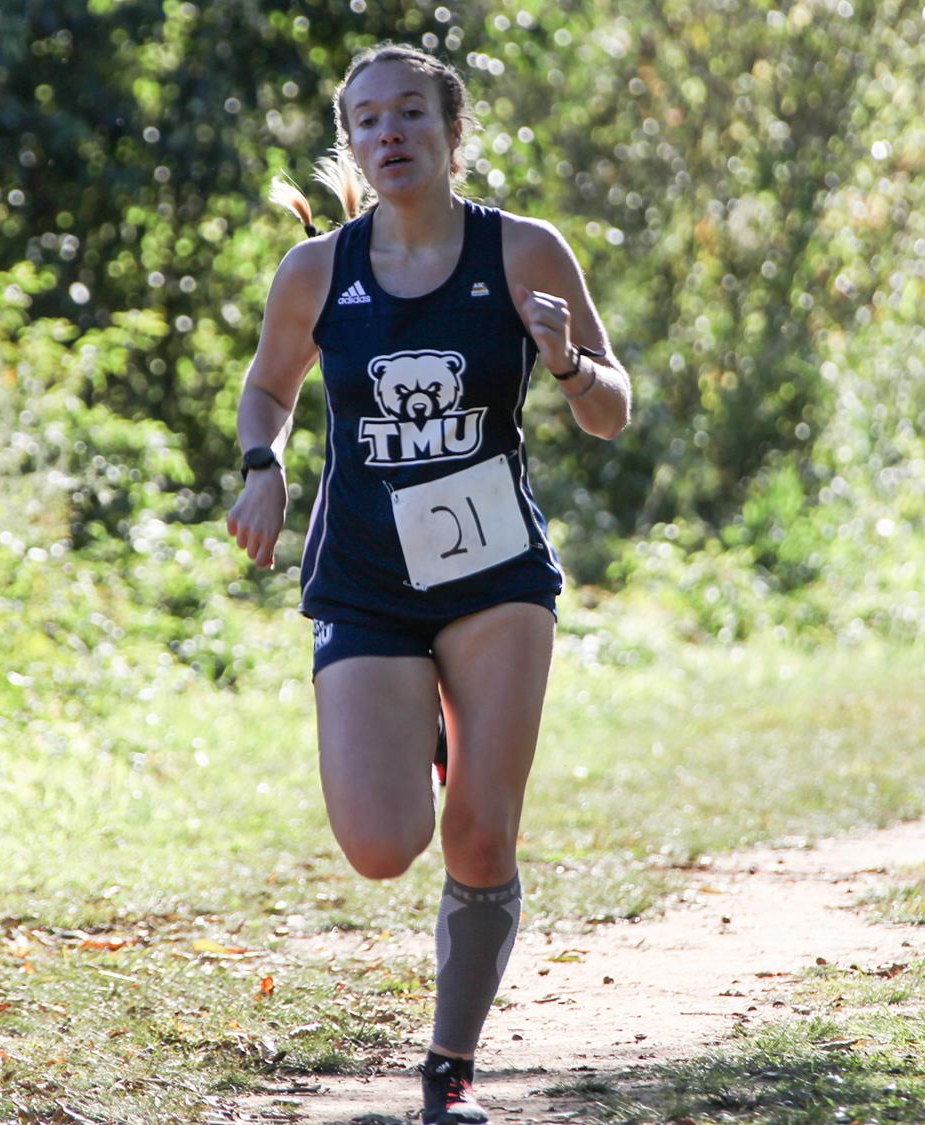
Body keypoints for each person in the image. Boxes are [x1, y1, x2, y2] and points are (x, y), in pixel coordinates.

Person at [224, 43, 631, 1125]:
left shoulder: (523, 250)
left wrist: (566, 363)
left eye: (410, 113)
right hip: (365, 576)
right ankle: (429, 733)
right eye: (367, 120)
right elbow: (267, 391)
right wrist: (262, 465)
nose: (389, 133)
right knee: (379, 845)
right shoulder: (317, 271)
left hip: (494, 574)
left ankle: (450, 1068)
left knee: (480, 836)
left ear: (452, 133)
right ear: (351, 145)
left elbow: (611, 410)